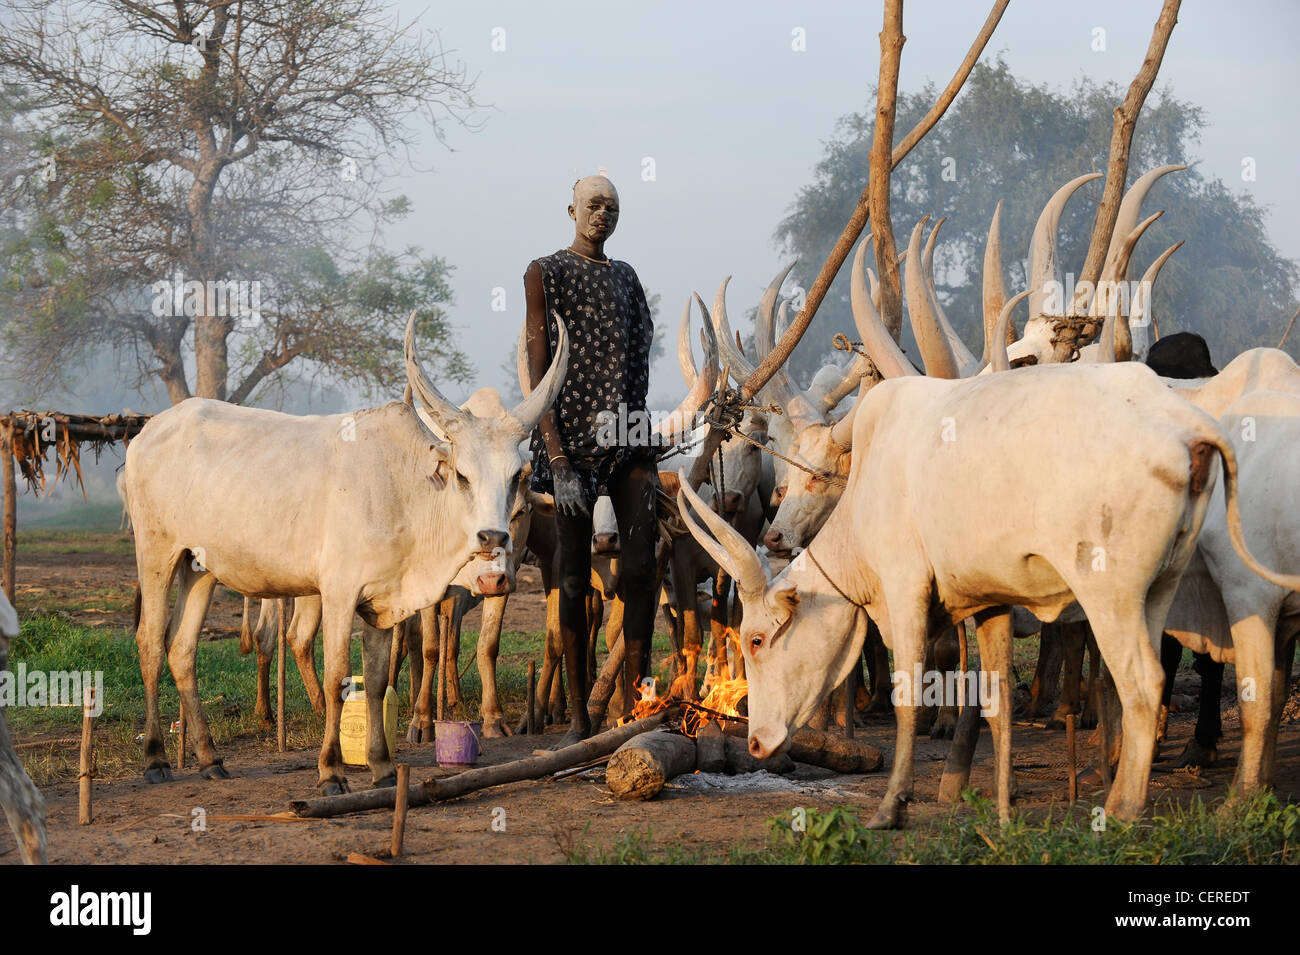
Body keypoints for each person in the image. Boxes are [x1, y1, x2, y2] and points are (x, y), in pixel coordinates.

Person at [523, 175, 659, 744]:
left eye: (612, 207)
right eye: (593, 205)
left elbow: (640, 353)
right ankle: (580, 720)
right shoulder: (544, 272)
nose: (602, 215)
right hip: (568, 445)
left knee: (642, 571)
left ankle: (636, 707)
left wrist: (642, 427)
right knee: (574, 580)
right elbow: (537, 365)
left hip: (627, 439)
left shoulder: (626, 276)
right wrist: (555, 459)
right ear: (572, 209)